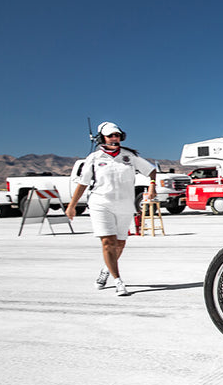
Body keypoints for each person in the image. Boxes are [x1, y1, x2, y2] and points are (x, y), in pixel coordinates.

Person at [65, 122, 156, 297]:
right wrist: (72, 205)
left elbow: (150, 170)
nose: (114, 138)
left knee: (120, 244)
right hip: (101, 204)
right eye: (110, 136)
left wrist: (152, 185)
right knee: (108, 242)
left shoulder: (129, 156)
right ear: (102, 138)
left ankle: (106, 269)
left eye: (117, 135)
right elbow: (83, 183)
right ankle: (118, 282)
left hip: (125, 205)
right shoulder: (94, 158)